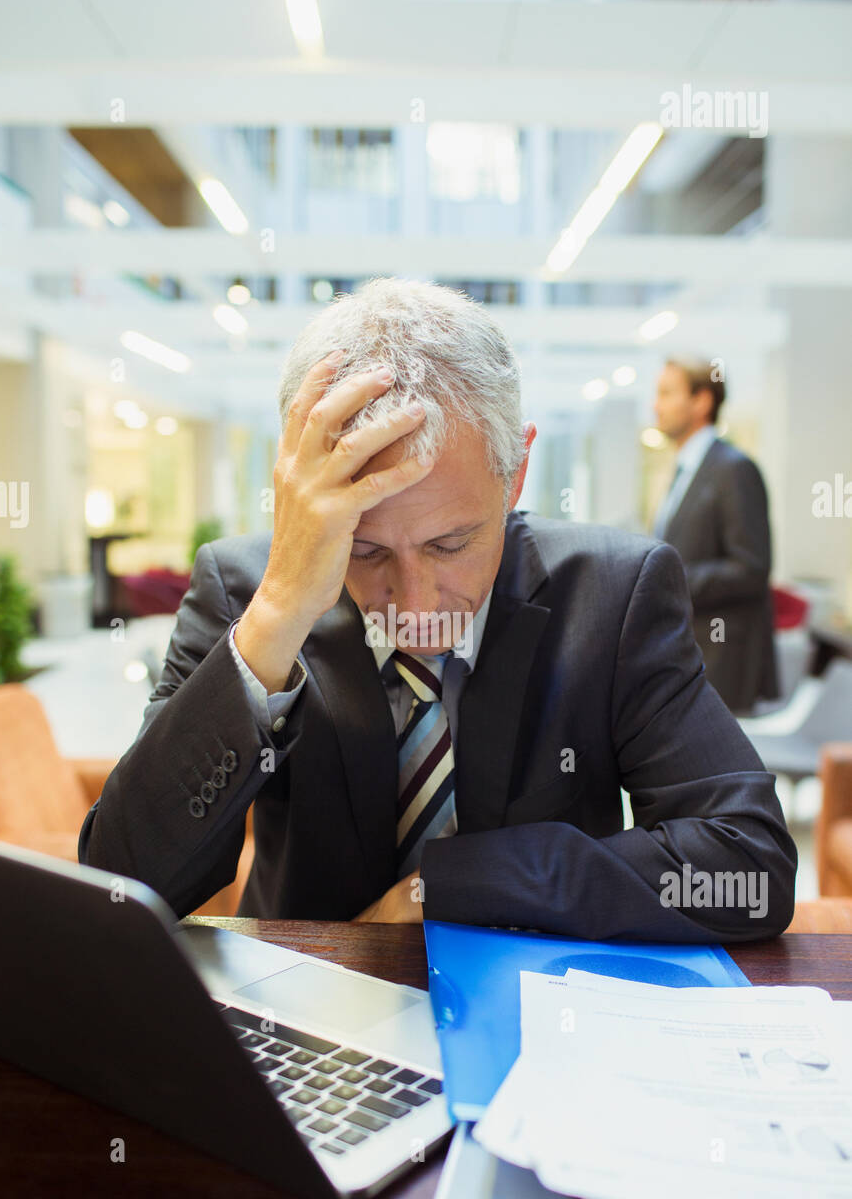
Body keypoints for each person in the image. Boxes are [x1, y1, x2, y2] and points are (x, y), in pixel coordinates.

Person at [79, 279, 795, 940]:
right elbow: (121, 886)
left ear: (515, 476)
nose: (414, 605)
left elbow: (750, 872)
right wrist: (279, 613)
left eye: (452, 543)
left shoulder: (612, 595)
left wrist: (448, 887)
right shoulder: (246, 594)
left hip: (544, 1020)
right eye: (365, 551)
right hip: (304, 1016)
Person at [652, 358, 779, 716]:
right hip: (687, 654)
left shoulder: (734, 469)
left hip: (723, 660)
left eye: (666, 393)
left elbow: (751, 568)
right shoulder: (684, 471)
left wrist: (666, 579)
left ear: (701, 401)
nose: (655, 405)